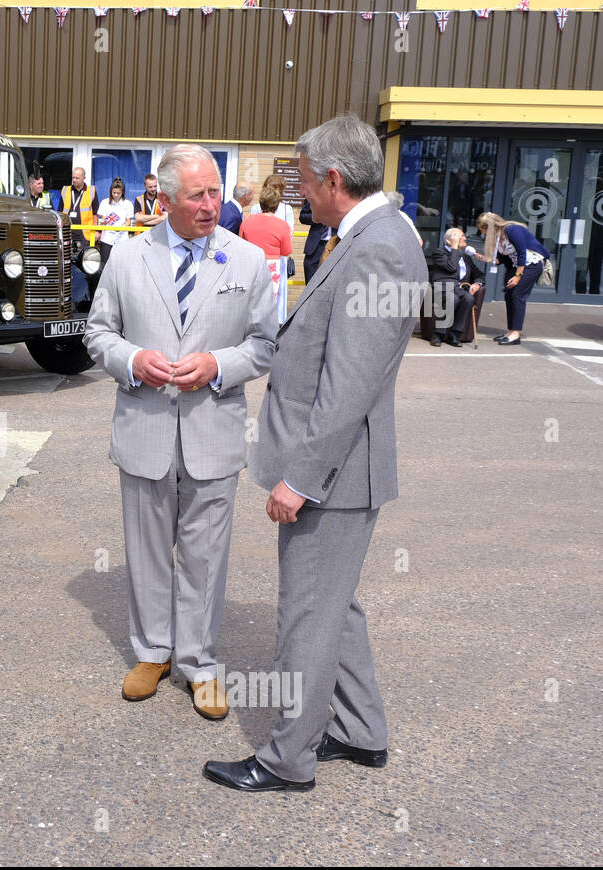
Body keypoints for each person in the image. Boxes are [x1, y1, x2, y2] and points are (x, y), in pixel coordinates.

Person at [203, 114, 426, 792]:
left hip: (331, 473)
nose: (297, 193)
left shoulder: (379, 247)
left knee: (305, 613)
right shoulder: (368, 235)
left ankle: (286, 759)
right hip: (342, 470)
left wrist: (299, 478)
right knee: (335, 605)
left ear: (334, 179)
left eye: (302, 181)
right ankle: (359, 732)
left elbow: (349, 386)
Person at [82, 144, 277, 719]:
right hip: (144, 428)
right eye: (197, 195)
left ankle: (198, 662)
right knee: (145, 552)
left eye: (216, 191)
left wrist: (219, 366)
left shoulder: (244, 261)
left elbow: (265, 345)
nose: (211, 204)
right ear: (163, 199)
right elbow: (98, 335)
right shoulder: (127, 257)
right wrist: (132, 359)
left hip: (212, 432)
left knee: (206, 556)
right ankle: (152, 651)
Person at [473, 211, 550, 346]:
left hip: (531, 265)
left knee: (517, 296)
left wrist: (518, 276)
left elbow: (522, 253)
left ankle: (515, 333)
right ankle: (511, 331)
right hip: (515, 266)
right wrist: (487, 258)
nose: (483, 233)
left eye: (483, 230)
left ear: (490, 227)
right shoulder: (498, 236)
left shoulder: (512, 230)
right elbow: (503, 258)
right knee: (509, 295)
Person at [240, 185, 294, 321]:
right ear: (276, 205)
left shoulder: (247, 221)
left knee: (250, 299)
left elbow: (240, 244)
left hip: (250, 263)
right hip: (272, 266)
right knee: (270, 302)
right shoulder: (282, 225)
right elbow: (287, 250)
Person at [426, 227, 483, 347]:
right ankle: (438, 334)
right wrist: (454, 248)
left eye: (463, 236)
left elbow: (479, 274)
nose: (464, 238)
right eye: (460, 236)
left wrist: (477, 283)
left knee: (469, 299)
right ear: (449, 240)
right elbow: (451, 267)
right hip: (442, 288)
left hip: (458, 289)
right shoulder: (439, 252)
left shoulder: (466, 257)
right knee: (453, 299)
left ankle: (455, 334)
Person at [95, 177, 134, 264]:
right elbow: (103, 218)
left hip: (122, 239)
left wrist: (121, 227)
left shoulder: (128, 204)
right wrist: (105, 222)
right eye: (114, 193)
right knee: (105, 264)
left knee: (121, 264)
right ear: (110, 191)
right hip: (107, 238)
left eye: (118, 193)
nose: (116, 195)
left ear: (123, 192)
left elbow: (128, 221)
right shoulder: (104, 202)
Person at [61, 167, 99, 246]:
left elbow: (95, 214)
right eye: (73, 177)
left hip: (84, 234)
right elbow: (60, 211)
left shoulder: (91, 191)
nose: (74, 180)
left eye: (77, 178)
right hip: (67, 232)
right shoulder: (65, 190)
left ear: (84, 178)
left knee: (84, 257)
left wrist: (95, 230)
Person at [299, 197, 332, 283]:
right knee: (309, 269)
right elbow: (303, 216)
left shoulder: (342, 193)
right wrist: (318, 217)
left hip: (335, 243)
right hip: (316, 244)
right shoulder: (314, 193)